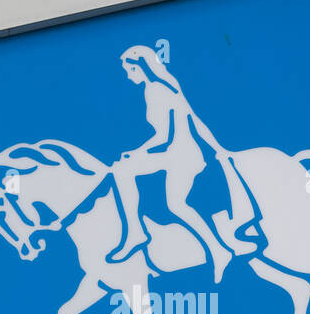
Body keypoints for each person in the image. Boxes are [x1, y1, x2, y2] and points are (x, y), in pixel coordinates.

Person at [109, 46, 256, 281]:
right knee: (135, 178)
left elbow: (164, 136)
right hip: (175, 155)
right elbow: (195, 121)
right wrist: (217, 147)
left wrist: (135, 153)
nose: (128, 75)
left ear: (140, 67)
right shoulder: (166, 86)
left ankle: (137, 233)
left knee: (127, 173)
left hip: (179, 156)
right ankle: (218, 250)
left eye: (129, 69)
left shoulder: (157, 90)